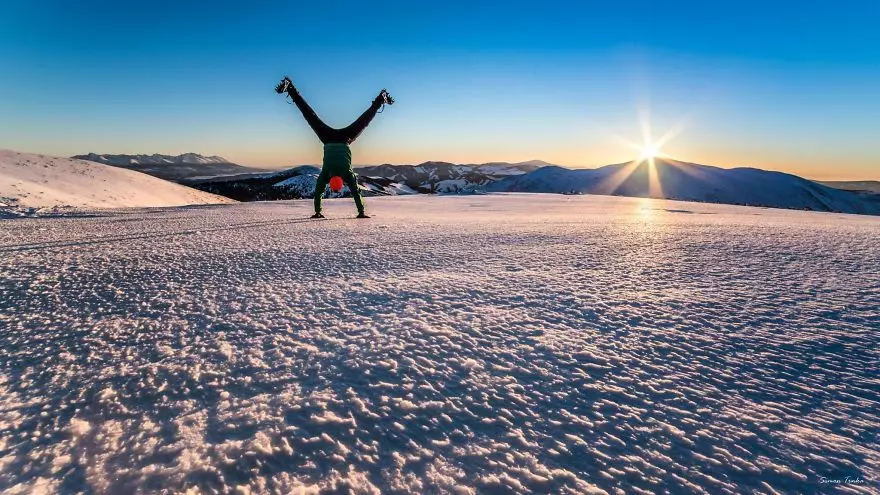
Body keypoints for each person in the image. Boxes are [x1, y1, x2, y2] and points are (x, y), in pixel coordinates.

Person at [275, 76, 394, 218]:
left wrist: (361, 211)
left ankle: (381, 98)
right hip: (328, 138)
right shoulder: (326, 174)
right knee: (310, 115)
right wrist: (317, 211)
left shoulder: (347, 175)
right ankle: (290, 88)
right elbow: (319, 193)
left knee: (363, 121)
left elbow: (356, 193)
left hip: (345, 139)